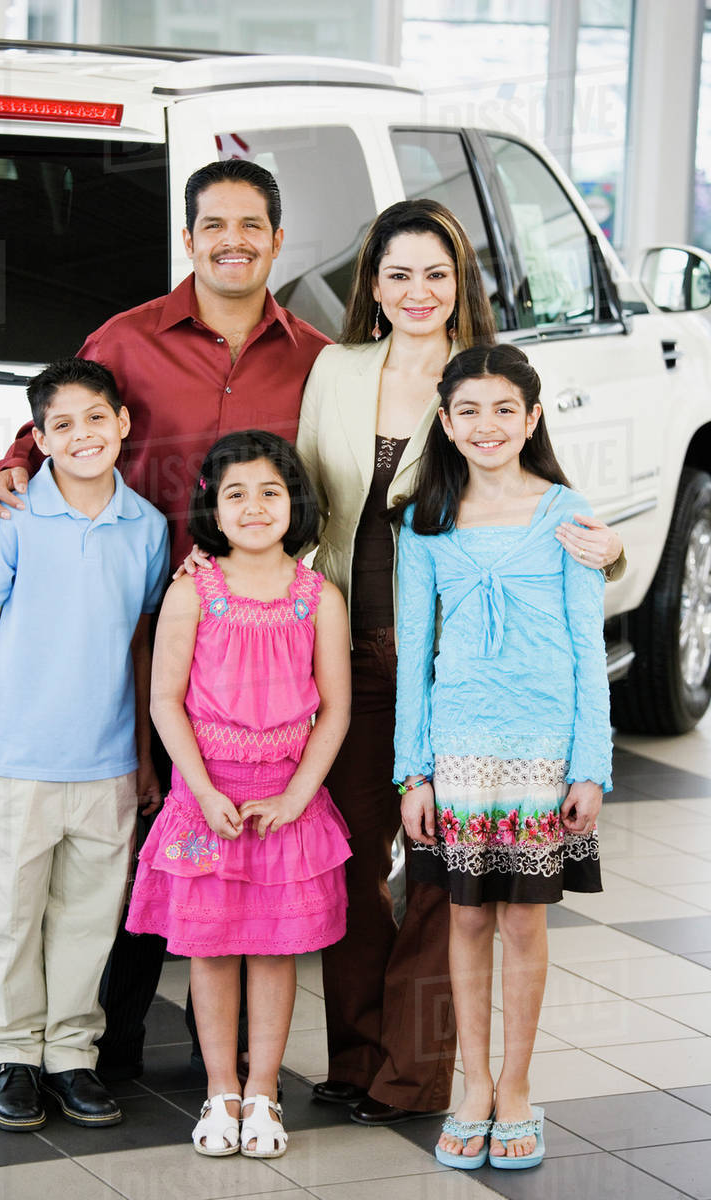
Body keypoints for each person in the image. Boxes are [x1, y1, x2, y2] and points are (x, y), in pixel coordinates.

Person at [0, 158, 331, 1081]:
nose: (232, 242)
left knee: (242, 842)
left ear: (277, 239)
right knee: (140, 842)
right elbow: (54, 424)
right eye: (214, 225)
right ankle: (100, 1050)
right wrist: (7, 470)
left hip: (255, 649)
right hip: (137, 636)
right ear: (189, 238)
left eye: (250, 226)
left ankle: (238, 1066)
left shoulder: (316, 358)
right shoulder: (127, 340)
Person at [295, 199, 624, 1125]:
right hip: (345, 649)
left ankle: (418, 1071)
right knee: (352, 864)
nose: (418, 291)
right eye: (398, 273)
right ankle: (358, 1055)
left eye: (436, 274)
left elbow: (550, 510)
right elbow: (298, 496)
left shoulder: (485, 378)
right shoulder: (336, 369)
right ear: (372, 284)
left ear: (460, 283)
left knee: (447, 883)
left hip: (455, 670)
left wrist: (614, 555)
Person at [393, 343, 612, 1170]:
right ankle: (473, 1085)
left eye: (504, 410)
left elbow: (587, 647)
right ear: (446, 424)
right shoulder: (425, 521)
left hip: (542, 748)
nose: (487, 426)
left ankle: (516, 1087)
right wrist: (412, 770)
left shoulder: (568, 514)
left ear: (533, 417)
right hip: (460, 748)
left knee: (523, 917)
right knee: (465, 915)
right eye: (469, 412)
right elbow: (415, 655)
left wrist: (590, 765)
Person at [0, 358, 169, 1132]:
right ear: (38, 439)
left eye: (96, 418)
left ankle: (72, 1056)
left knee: (88, 919)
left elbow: (140, 646)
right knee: (13, 917)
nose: (83, 435)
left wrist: (143, 757)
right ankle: (12, 1055)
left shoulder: (148, 527)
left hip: (108, 765)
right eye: (62, 425)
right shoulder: (11, 519)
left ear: (123, 424)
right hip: (20, 761)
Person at [125, 431, 351, 1158]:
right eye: (236, 494)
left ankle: (264, 1091)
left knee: (277, 950)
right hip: (208, 801)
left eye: (270, 492)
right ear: (212, 509)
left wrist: (297, 797)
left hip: (286, 804)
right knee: (213, 951)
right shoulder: (192, 592)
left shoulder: (319, 598)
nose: (254, 507)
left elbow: (336, 711)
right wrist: (199, 788)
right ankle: (220, 1089)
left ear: (295, 503)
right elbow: (165, 701)